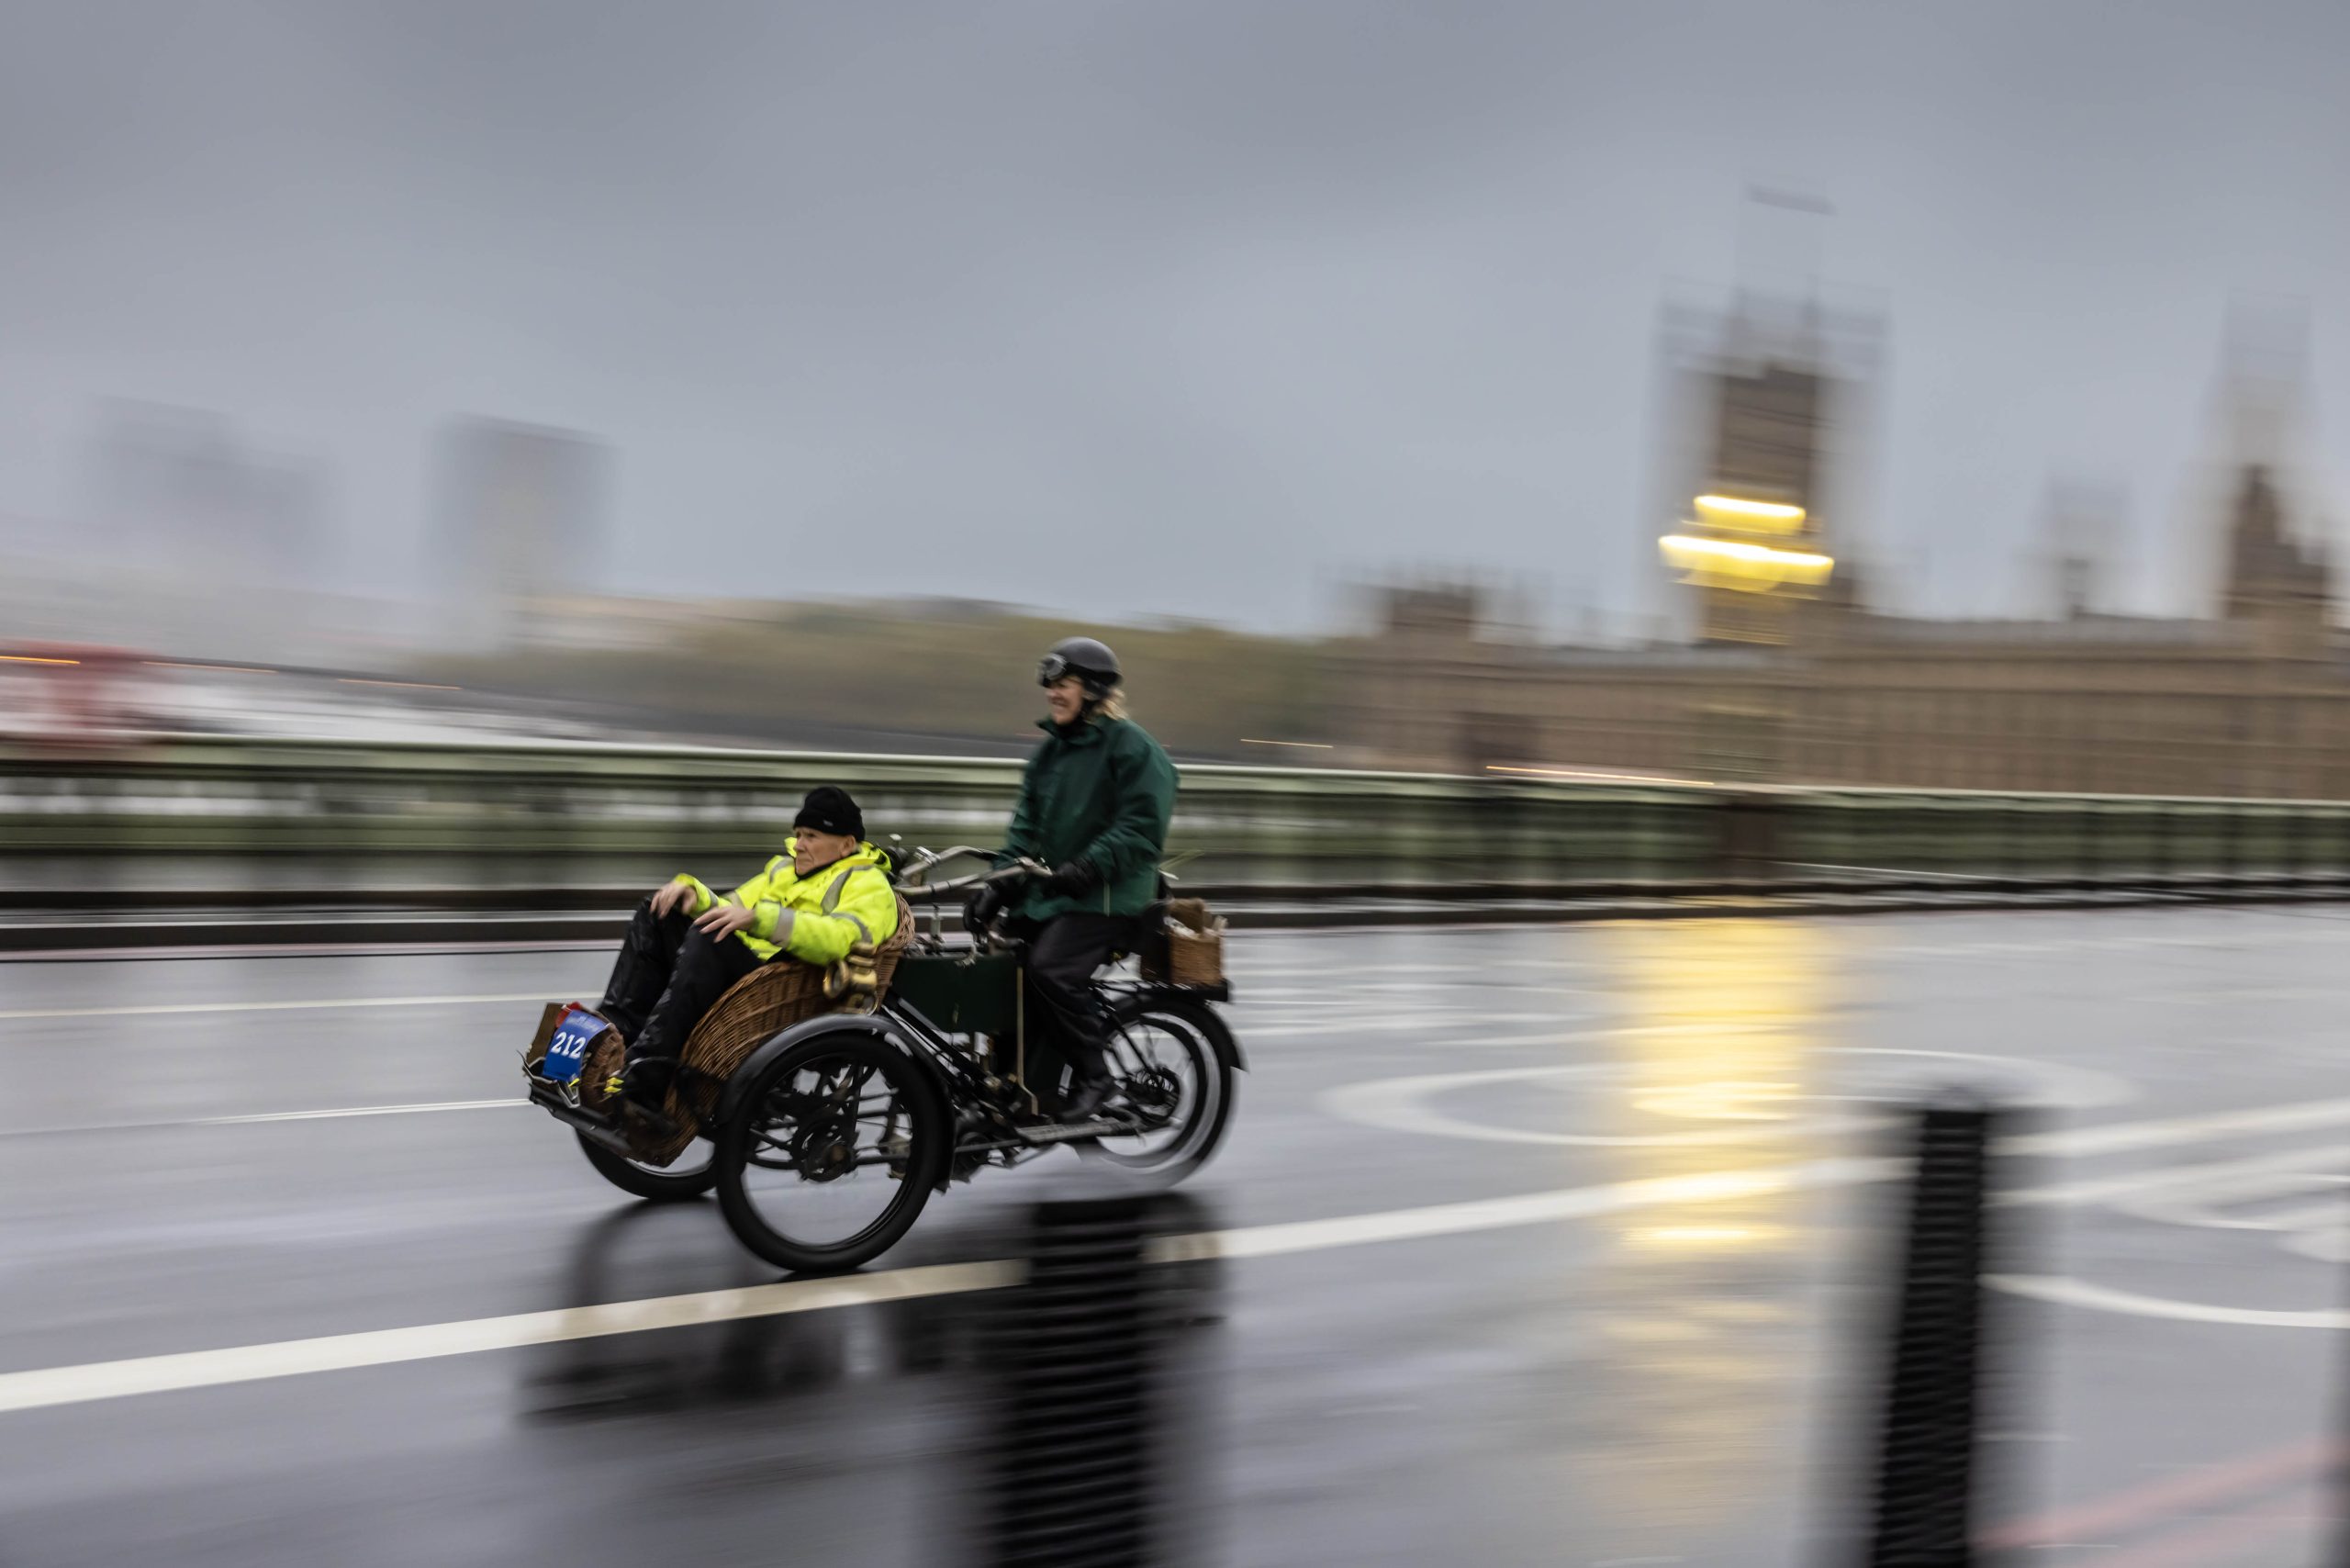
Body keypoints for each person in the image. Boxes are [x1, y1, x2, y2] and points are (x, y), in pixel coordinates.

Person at [966, 636, 1178, 1121]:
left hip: (1110, 897)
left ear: (1095, 691)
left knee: (1050, 972)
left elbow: (1142, 829)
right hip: (1058, 895)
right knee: (996, 968)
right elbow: (1025, 829)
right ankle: (1011, 1088)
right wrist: (998, 883)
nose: (1053, 694)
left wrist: (1088, 866)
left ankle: (1096, 1078)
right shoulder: (1049, 755)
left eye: (1065, 685)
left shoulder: (1133, 748)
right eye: (1051, 686)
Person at [598, 785, 899, 1112]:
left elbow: (844, 939)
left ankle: (651, 1074)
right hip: (747, 977)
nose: (799, 845)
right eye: (798, 834)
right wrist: (692, 894)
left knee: (710, 937)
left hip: (782, 991)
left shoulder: (867, 883)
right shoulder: (783, 871)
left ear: (846, 844)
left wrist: (761, 920)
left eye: (811, 836)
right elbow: (729, 908)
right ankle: (611, 1041)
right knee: (657, 912)